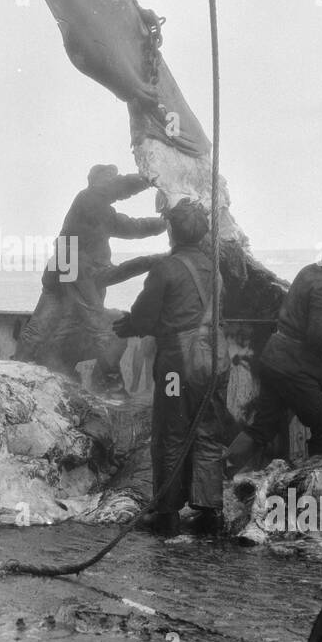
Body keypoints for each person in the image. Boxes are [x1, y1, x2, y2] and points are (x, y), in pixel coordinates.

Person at [112, 198, 230, 535]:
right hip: (216, 360)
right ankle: (209, 514)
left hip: (179, 366)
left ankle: (167, 515)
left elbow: (146, 316)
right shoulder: (214, 268)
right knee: (207, 431)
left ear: (171, 232)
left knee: (171, 431)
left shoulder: (166, 268)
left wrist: (129, 326)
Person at [14, 164, 167, 393]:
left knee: (40, 328)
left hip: (64, 271)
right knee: (97, 327)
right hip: (72, 268)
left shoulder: (99, 216)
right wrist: (149, 178)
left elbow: (128, 233)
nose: (115, 182)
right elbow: (128, 222)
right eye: (111, 178)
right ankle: (112, 384)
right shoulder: (89, 199)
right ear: (98, 181)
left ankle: (16, 370)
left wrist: (159, 241)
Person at [224, 237, 322, 473]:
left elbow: (314, 312)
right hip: (294, 368)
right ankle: (318, 483)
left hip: (275, 360)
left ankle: (222, 471)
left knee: (261, 427)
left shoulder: (311, 272)